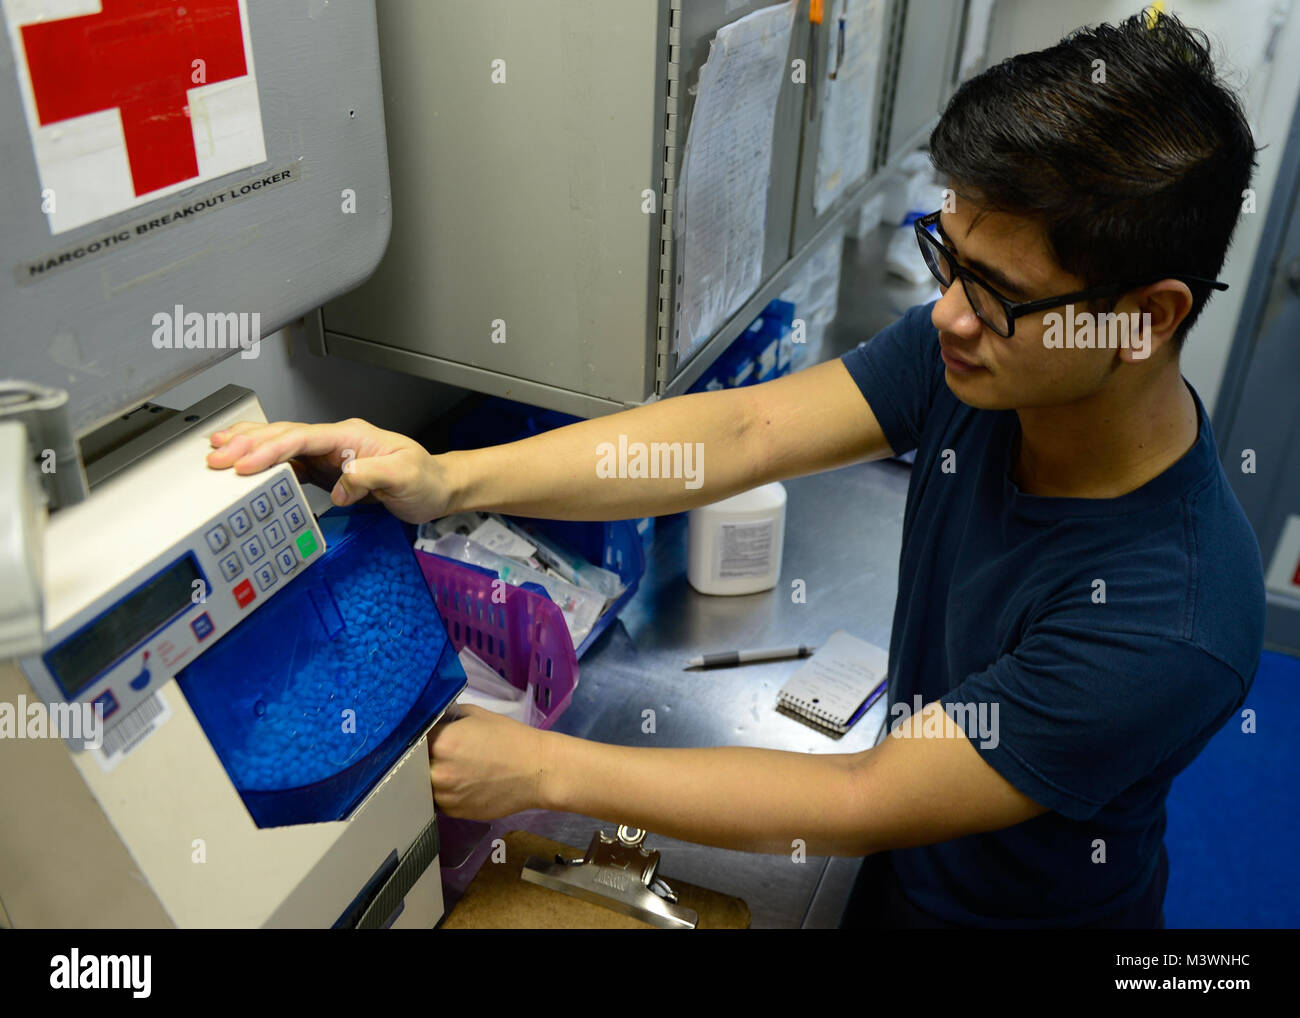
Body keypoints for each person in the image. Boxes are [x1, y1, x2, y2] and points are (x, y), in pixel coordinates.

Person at [205, 12, 1264, 928]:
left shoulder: (1169, 621)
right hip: (900, 871)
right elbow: (742, 432)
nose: (946, 312)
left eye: (995, 291)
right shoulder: (988, 360)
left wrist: (546, 768)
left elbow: (862, 792)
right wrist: (446, 477)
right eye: (947, 254)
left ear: (1145, 317)